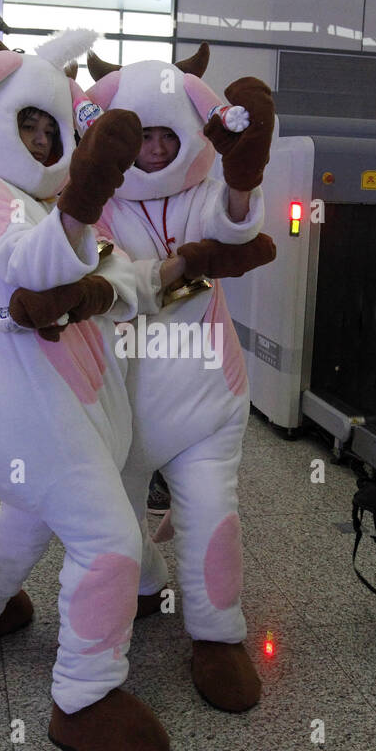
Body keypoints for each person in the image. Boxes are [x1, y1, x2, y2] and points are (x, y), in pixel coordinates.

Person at [0, 24, 170, 751]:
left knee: (26, 511)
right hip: (24, 414)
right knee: (109, 543)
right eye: (31, 124)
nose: (45, 143)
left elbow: (113, 279)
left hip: (50, 412)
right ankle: (84, 695)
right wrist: (84, 202)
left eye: (55, 130)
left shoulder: (22, 197)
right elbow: (35, 267)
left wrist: (123, 279)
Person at [81, 46, 277, 712]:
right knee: (115, 515)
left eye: (168, 135)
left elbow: (233, 224)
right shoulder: (98, 204)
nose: (156, 150)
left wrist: (244, 175)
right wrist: (185, 270)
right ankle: (138, 584)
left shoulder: (203, 192)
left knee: (213, 512)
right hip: (118, 401)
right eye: (143, 136)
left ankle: (219, 635)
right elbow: (101, 280)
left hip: (205, 398)